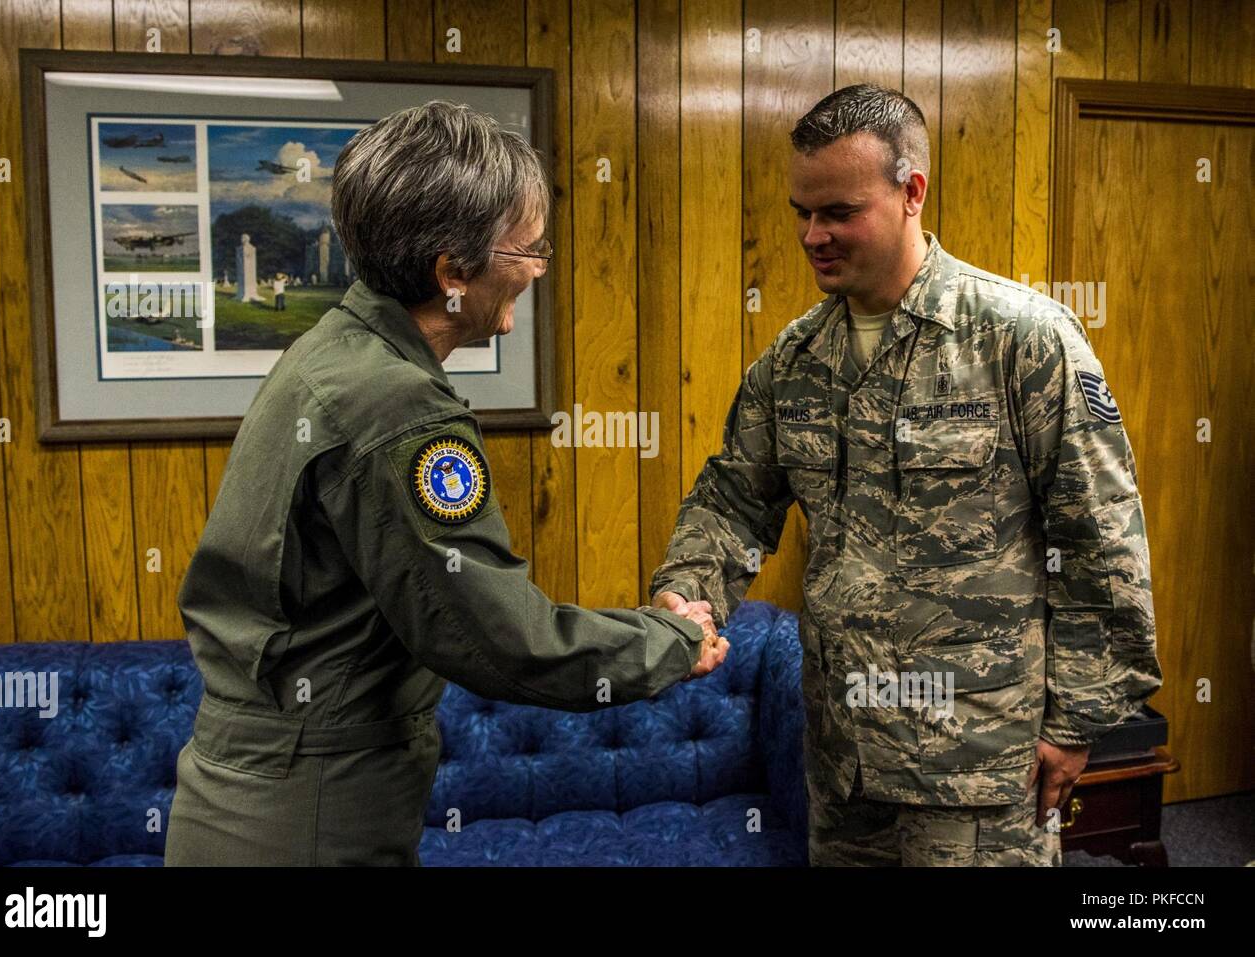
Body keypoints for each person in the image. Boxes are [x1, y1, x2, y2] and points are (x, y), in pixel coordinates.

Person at [166, 101, 728, 867]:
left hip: (263, 793)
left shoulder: (332, 350)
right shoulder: (394, 405)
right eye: (528, 249)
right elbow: (503, 640)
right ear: (453, 271)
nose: (536, 269)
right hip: (309, 814)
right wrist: (671, 639)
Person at [650, 84, 1162, 866]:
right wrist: (691, 590)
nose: (813, 235)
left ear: (911, 191)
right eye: (802, 212)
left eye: (839, 212)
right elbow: (732, 500)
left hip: (977, 767)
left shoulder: (1021, 341)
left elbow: (1100, 536)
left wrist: (1076, 722)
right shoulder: (793, 362)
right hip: (843, 762)